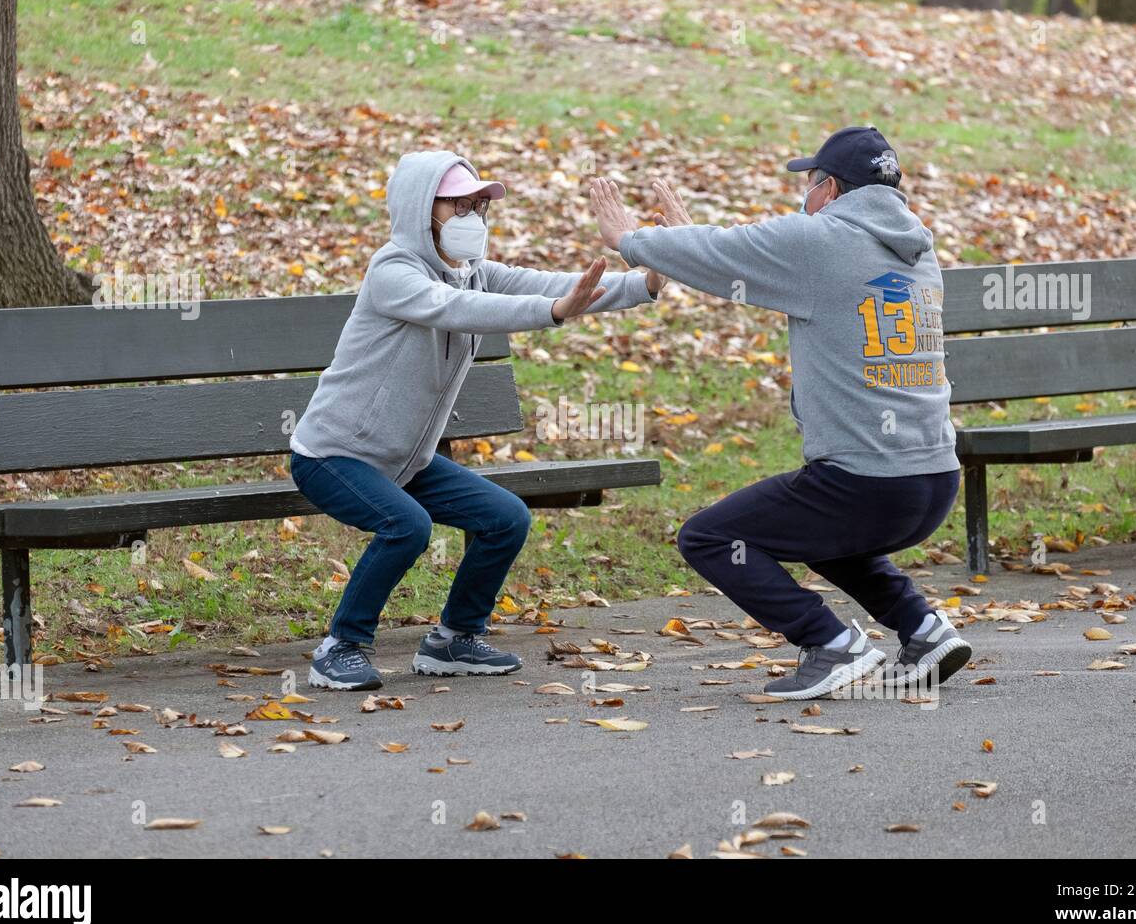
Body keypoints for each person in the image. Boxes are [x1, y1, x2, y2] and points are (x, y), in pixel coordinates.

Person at [589, 126, 970, 700]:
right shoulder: (916, 244)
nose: (805, 196)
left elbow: (733, 251)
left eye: (809, 182)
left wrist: (628, 238)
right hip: (935, 479)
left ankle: (831, 645)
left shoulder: (822, 240)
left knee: (710, 536)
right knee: (819, 533)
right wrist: (688, 238)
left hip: (867, 484)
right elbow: (734, 259)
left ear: (830, 187)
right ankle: (922, 630)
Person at [292, 150, 663, 691]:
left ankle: (452, 640)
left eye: (477, 207)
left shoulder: (474, 272)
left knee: (504, 517)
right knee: (407, 526)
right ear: (423, 209)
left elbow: (553, 284)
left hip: (405, 459)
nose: (471, 216)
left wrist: (645, 283)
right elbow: (453, 309)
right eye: (459, 205)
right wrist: (554, 313)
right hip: (333, 455)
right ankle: (340, 647)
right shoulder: (394, 269)